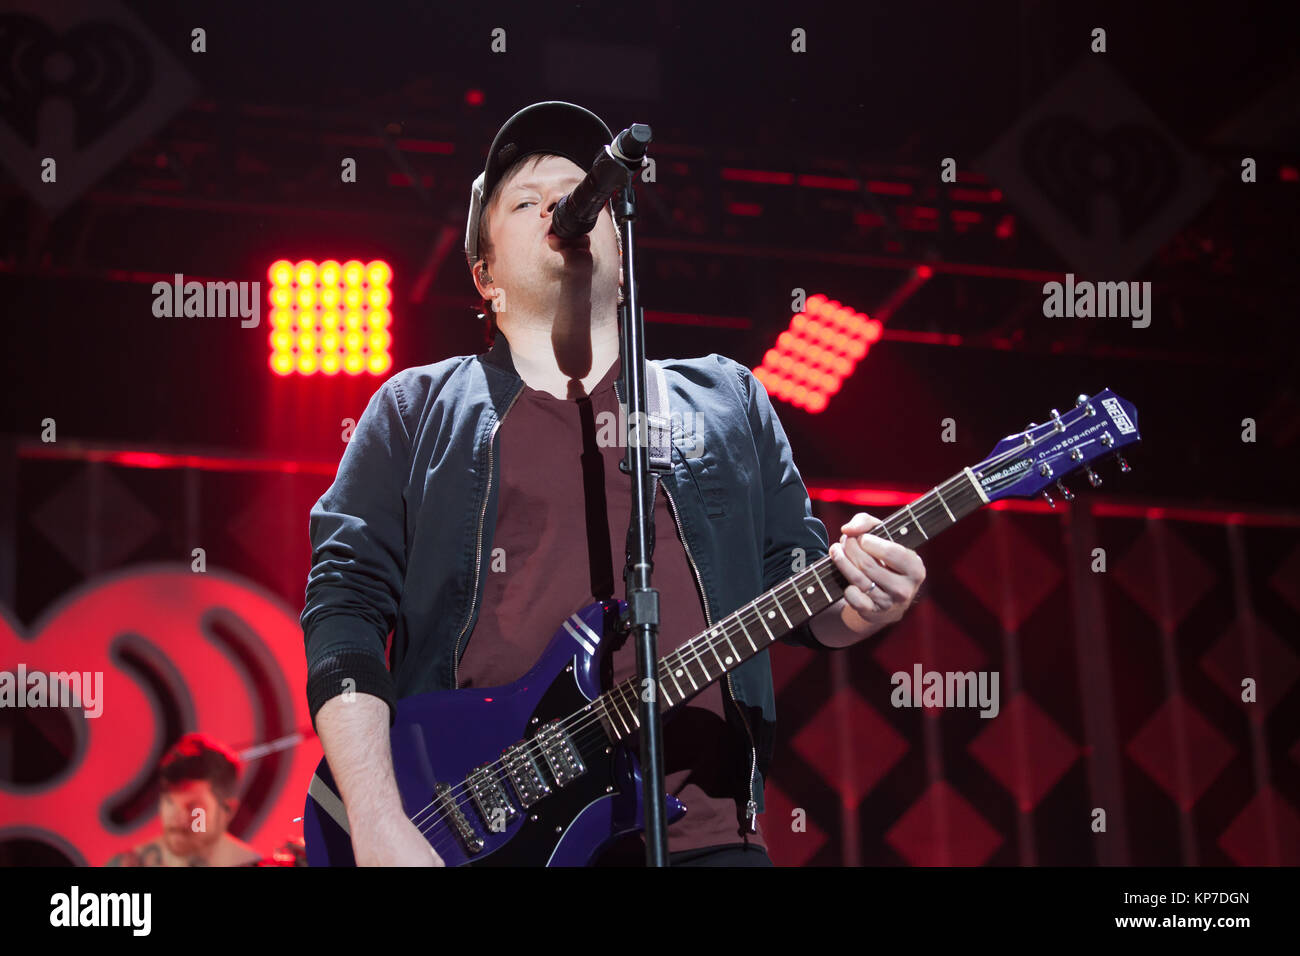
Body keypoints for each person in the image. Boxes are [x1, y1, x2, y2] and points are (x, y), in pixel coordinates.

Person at [301, 101, 926, 867]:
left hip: (704, 836)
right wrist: (377, 820)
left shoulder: (726, 399)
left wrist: (865, 599)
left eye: (579, 194)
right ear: (485, 277)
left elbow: (802, 596)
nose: (562, 210)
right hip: (479, 838)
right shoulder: (416, 409)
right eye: (527, 203)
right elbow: (343, 609)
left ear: (623, 257)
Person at [105, 733, 262, 867]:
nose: (178, 819)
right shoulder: (128, 862)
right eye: (170, 803)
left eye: (193, 807)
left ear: (227, 810)